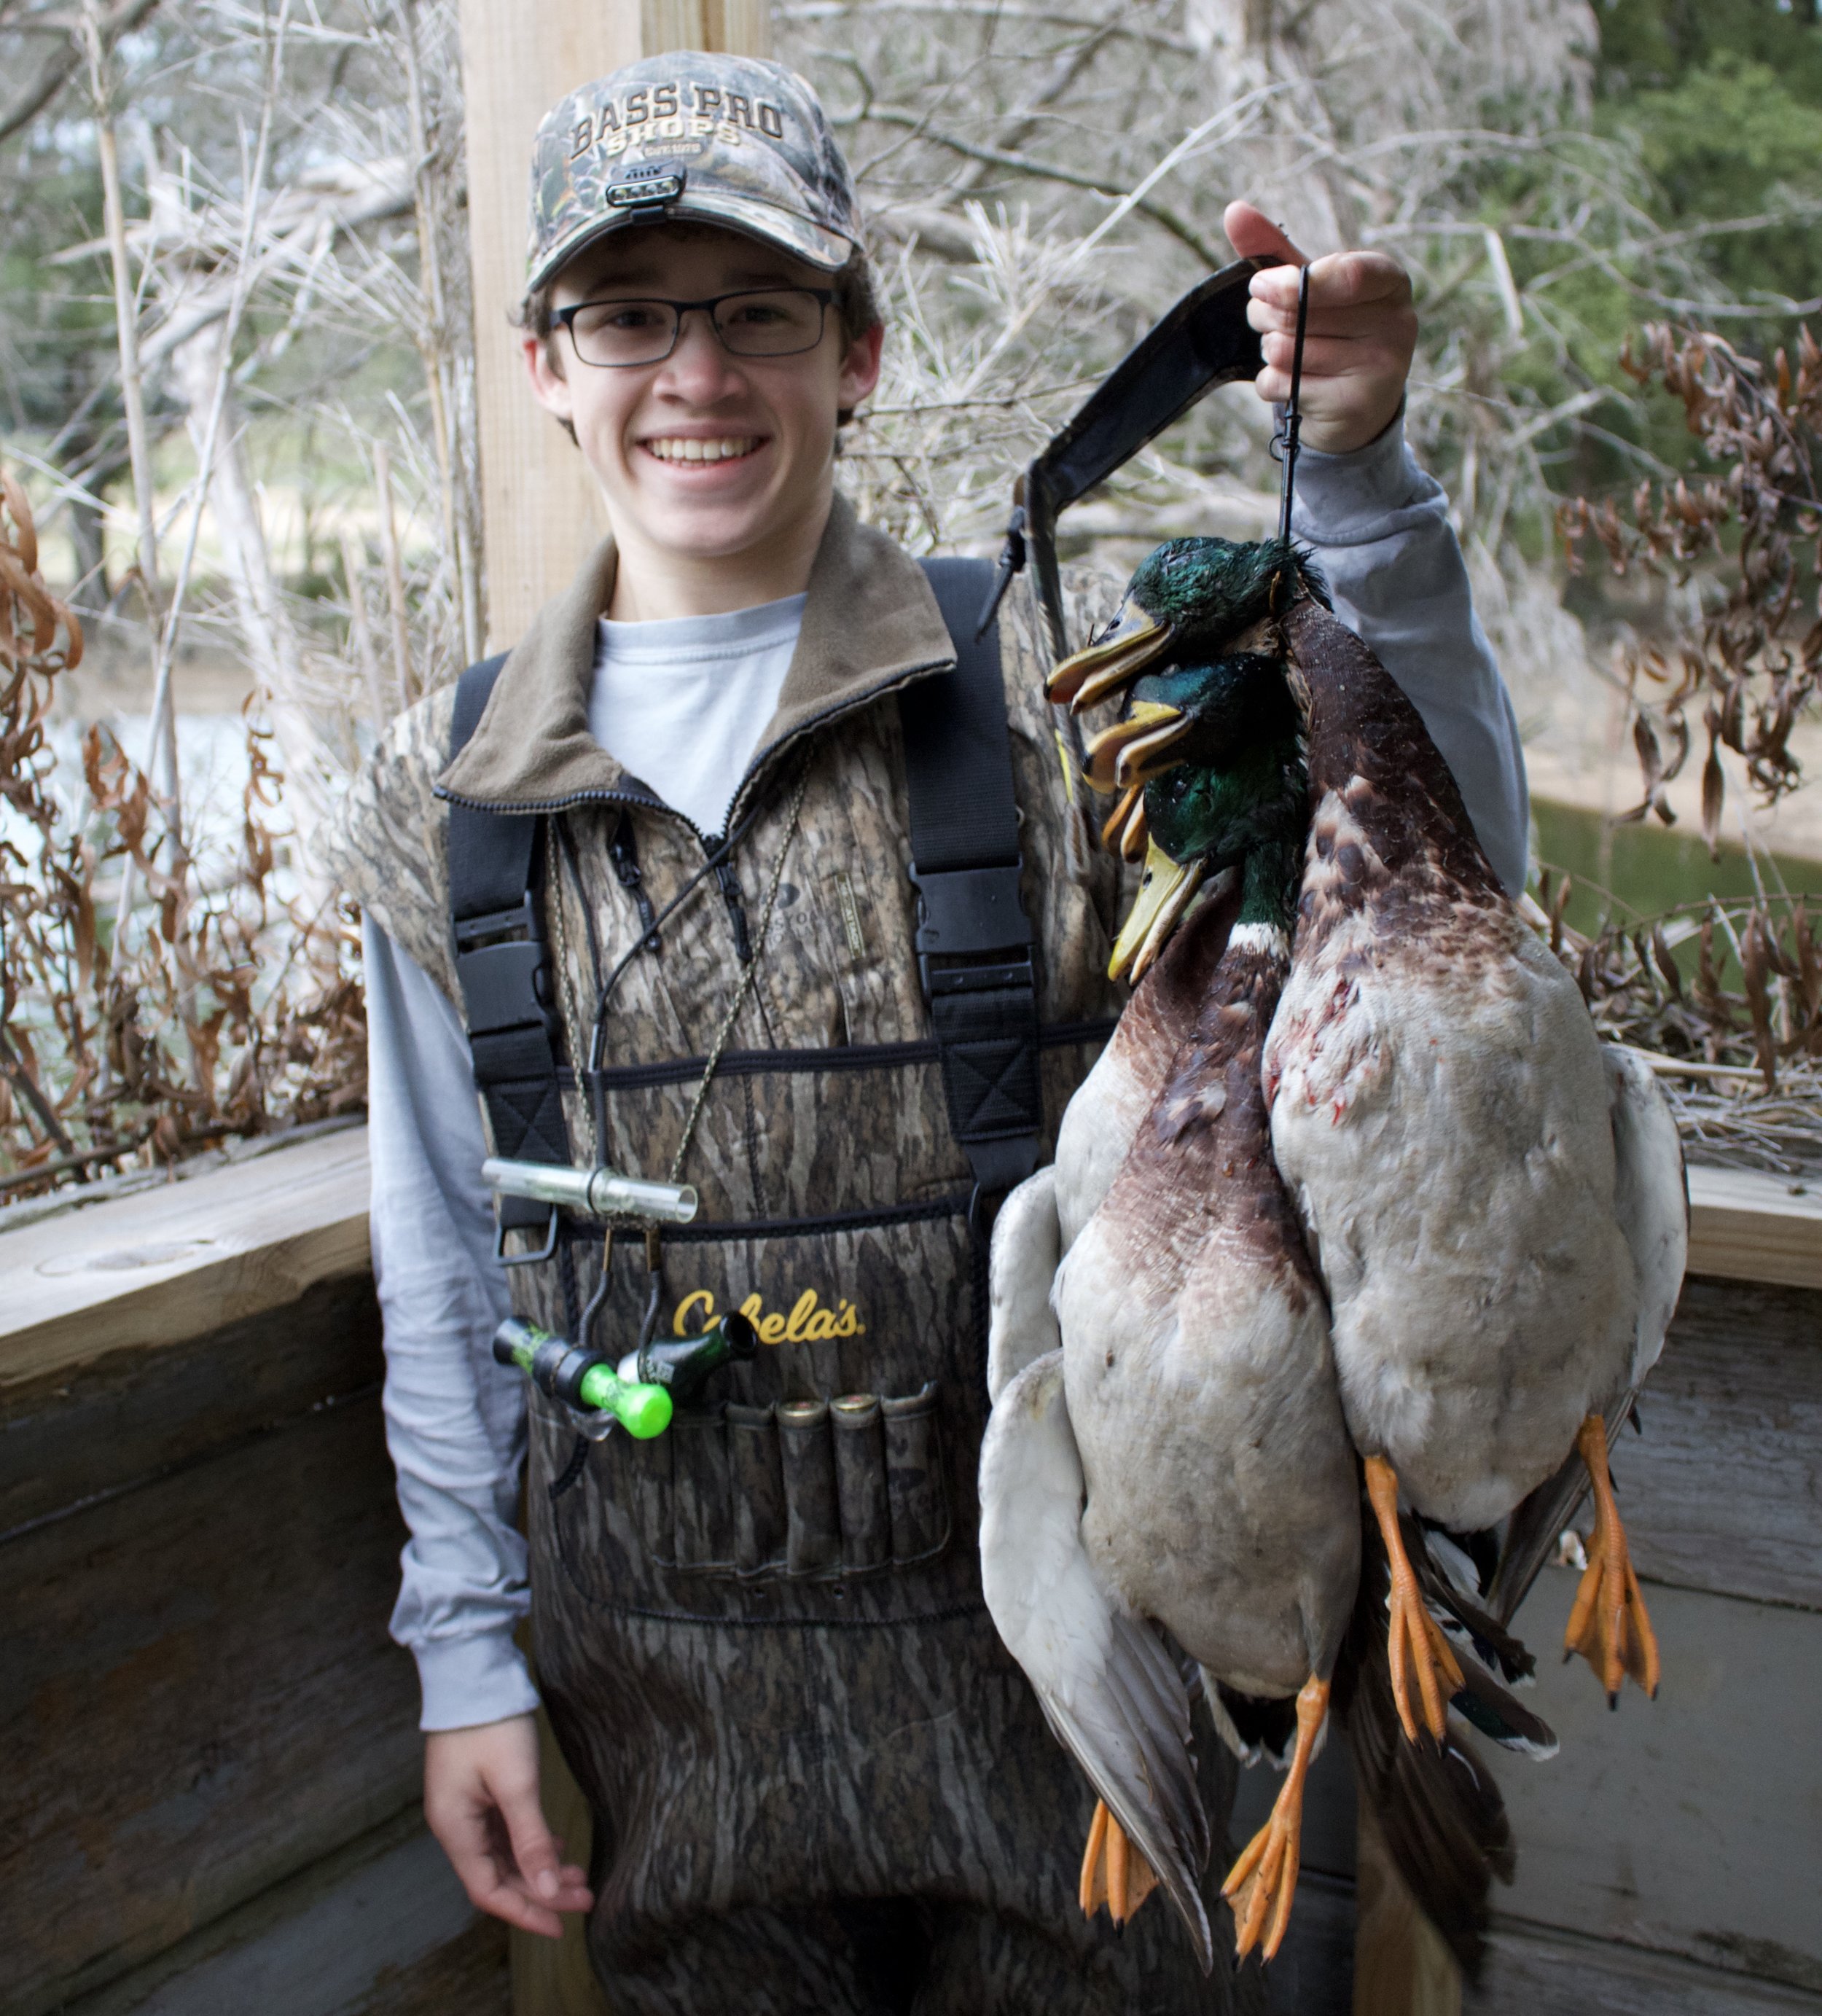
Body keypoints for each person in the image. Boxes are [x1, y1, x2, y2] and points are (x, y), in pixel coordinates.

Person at [326, 50, 1527, 2014]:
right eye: (627, 313)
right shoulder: (438, 793)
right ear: (546, 362)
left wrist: (1368, 480)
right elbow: (450, 1263)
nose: (693, 373)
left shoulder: (1067, 702)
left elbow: (1436, 905)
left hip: (1091, 1723)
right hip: (669, 1757)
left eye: (759, 313)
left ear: (857, 351)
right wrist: (466, 1663)